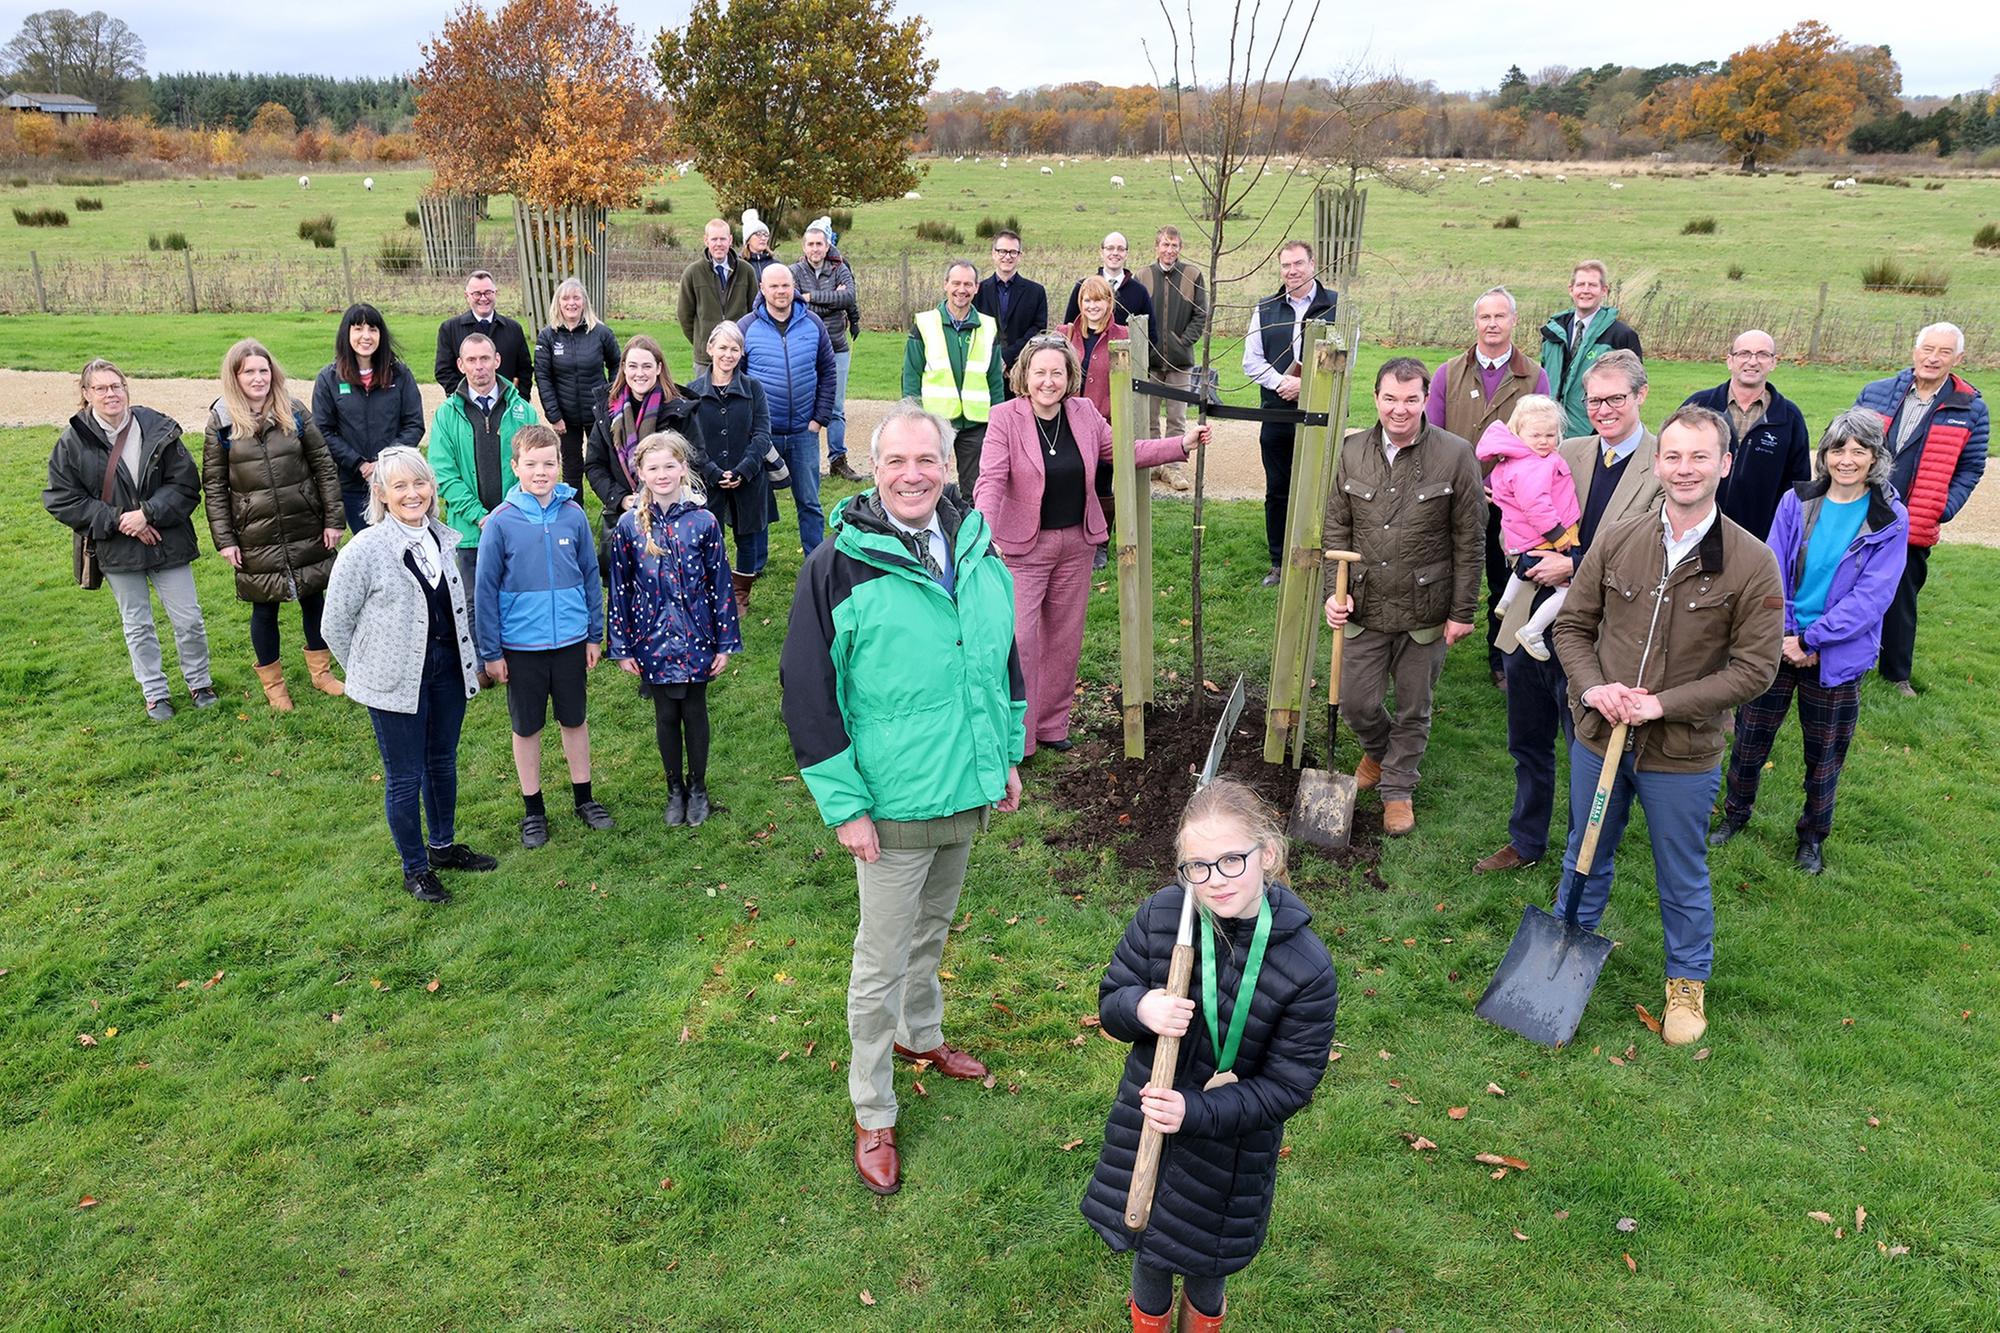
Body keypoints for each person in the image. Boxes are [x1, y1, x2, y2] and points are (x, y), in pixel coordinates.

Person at [778, 403, 1026, 1196]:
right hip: (890, 806)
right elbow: (807, 691)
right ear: (874, 470)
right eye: (896, 462)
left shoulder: (975, 546)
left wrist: (1007, 756)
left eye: (928, 460)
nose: (914, 474)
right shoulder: (837, 565)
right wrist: (846, 805)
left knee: (933, 929)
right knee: (878, 963)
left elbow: (1000, 660)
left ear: (947, 467)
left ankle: (923, 1036)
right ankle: (873, 1105)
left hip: (965, 788)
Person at [1550, 404, 1783, 1047]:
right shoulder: (1619, 538)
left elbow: (1756, 670)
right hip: (1600, 738)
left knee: (1681, 872)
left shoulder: (1751, 560)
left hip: (1681, 751)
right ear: (1658, 463)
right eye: (1673, 456)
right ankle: (1567, 950)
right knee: (1584, 852)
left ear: (1724, 465)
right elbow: (1572, 626)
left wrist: (1662, 704)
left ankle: (1687, 981)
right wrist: (1594, 687)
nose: (1684, 469)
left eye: (1699, 457)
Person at [1080, 778, 1337, 1333]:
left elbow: (1290, 1085)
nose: (1213, 880)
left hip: (1228, 1153)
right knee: (1147, 1248)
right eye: (1197, 866)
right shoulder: (1162, 918)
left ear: (1267, 855)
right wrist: (1142, 1006)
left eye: (1230, 861)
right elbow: (1111, 1002)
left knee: (1205, 1259)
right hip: (1142, 1127)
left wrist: (1195, 1112)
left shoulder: (1306, 966)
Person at [1476, 349, 1663, 875]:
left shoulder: (1659, 465)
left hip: (1602, 636)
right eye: (1593, 399)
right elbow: (1514, 520)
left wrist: (1573, 565)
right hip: (1533, 619)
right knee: (1528, 741)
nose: (1603, 409)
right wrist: (1528, 555)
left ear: (1640, 396)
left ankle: (1588, 851)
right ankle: (1526, 839)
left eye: (1615, 398)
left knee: (1590, 748)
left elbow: (1650, 555)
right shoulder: (1564, 451)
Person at [974, 335, 1206, 756]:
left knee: (1064, 639)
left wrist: (1180, 444)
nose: (1049, 381)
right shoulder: (1004, 417)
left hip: (1076, 544)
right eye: (1040, 372)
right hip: (1022, 550)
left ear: (1070, 377)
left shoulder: (1082, 413)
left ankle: (1052, 725)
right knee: (1021, 641)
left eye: (1057, 373)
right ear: (1025, 375)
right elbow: (990, 480)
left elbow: (1123, 450)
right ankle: (1018, 739)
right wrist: (983, 532)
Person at [1711, 410, 1908, 876]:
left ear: (1876, 458)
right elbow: (1770, 568)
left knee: (1824, 755)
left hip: (1836, 655)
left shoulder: (1889, 517)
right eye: (1839, 449)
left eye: (1860, 450)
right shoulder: (1795, 501)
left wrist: (1815, 639)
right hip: (1778, 644)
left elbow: (1872, 597)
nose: (1847, 459)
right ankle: (1733, 816)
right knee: (1750, 740)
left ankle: (1812, 838)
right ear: (1826, 453)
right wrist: (1786, 634)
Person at [322, 446, 496, 904]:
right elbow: (334, 624)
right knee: (405, 776)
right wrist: (366, 674)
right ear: (380, 492)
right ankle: (414, 868)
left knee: (442, 762)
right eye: (399, 485)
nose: (412, 493)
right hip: (394, 682)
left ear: (432, 488)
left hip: (447, 672)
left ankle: (441, 847)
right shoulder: (366, 549)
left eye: (419, 483)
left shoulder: (443, 538)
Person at [1320, 358, 1484, 837]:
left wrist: (1462, 611)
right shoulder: (1352, 453)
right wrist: (1336, 590)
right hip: (1365, 605)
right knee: (1356, 703)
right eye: (1390, 398)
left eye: (1411, 399)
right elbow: (1337, 527)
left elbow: (1469, 539)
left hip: (1425, 608)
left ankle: (1397, 790)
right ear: (1376, 398)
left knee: (1415, 706)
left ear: (1425, 400)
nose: (1400, 409)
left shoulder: (1455, 455)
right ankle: (1380, 751)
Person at [44, 357, 216, 720]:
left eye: (116, 386)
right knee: (138, 625)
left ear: (126, 388)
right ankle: (155, 693)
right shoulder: (72, 441)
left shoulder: (158, 427)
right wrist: (121, 520)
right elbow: (61, 498)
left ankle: (200, 682)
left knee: (188, 619)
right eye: (101, 388)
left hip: (166, 540)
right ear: (86, 393)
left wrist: (148, 514)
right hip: (117, 546)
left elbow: (186, 485)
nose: (111, 394)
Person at [475, 425, 612, 850]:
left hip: (571, 641)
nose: (541, 471)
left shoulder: (573, 515)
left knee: (575, 720)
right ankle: (533, 809)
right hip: (521, 648)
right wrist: (491, 651)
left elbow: (591, 574)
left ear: (560, 465)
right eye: (531, 464)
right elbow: (484, 591)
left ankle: (583, 797)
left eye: (549, 463)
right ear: (515, 467)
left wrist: (594, 633)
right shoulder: (500, 523)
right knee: (527, 727)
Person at [609, 431, 742, 829]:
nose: (663, 474)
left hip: (698, 635)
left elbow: (720, 583)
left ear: (683, 469)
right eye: (654, 468)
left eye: (670, 466)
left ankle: (698, 787)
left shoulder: (703, 522)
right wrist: (622, 645)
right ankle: (674, 790)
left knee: (695, 711)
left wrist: (725, 641)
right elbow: (620, 587)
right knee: (666, 713)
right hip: (651, 639)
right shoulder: (630, 527)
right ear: (641, 474)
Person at [204, 338, 345, 711]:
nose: (258, 377)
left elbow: (324, 467)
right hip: (255, 533)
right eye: (249, 371)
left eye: (263, 370)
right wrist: (224, 540)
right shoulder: (221, 422)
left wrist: (333, 519)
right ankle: (274, 685)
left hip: (305, 523)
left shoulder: (294, 411)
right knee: (264, 608)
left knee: (314, 598)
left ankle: (321, 672)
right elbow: (215, 486)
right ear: (235, 376)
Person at [1852, 322, 1988, 696]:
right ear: (1914, 351)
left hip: (1915, 517)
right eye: (1928, 349)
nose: (1933, 357)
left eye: (1944, 352)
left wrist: (1945, 506)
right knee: (1850, 588)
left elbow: (1972, 466)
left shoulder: (1970, 408)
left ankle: (1896, 675)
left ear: (1958, 359)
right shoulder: (1876, 393)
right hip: (1861, 510)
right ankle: (1849, 660)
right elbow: (1846, 441)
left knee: (1901, 596)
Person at [1426, 286, 1551, 683]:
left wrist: (1505, 483)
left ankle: (1501, 659)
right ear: (1476, 322)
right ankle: (1429, 651)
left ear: (1514, 321)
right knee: (1440, 573)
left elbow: (1543, 442)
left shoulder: (1534, 376)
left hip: (1512, 505)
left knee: (1505, 580)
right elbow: (1430, 434)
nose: (1492, 324)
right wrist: (1461, 479)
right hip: (1455, 495)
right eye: (1485, 317)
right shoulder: (1449, 372)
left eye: (1500, 316)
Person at [430, 332, 539, 632]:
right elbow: (443, 474)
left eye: (485, 359)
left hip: (516, 524)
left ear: (497, 361)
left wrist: (507, 514)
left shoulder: (523, 410)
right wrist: (479, 517)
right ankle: (479, 663)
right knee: (472, 601)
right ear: (461, 365)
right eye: (472, 360)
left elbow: (535, 469)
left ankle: (516, 654)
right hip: (468, 531)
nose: (480, 366)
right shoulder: (445, 416)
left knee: (517, 595)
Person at [1243, 240, 1337, 586]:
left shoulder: (1335, 306)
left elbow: (1347, 357)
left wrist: (1307, 386)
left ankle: (1320, 556)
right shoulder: (1265, 309)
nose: (1292, 271)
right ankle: (1279, 562)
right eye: (1285, 266)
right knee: (1278, 487)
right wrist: (1282, 382)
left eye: (1298, 264)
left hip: (1321, 413)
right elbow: (1250, 360)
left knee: (1320, 486)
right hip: (1277, 412)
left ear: (1313, 265)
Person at [685, 322, 787, 614]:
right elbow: (691, 441)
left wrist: (743, 470)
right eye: (723, 348)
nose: (728, 355)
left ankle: (741, 595)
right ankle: (712, 590)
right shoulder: (693, 392)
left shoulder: (754, 389)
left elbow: (762, 433)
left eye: (735, 349)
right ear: (710, 349)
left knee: (748, 536)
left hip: (749, 477)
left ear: (741, 353)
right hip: (709, 479)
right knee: (708, 537)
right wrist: (714, 473)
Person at [740, 264, 836, 554]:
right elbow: (737, 379)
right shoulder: (746, 327)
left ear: (793, 287)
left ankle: (815, 559)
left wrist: (819, 419)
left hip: (803, 432)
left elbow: (828, 370)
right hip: (762, 436)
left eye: (786, 286)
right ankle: (754, 563)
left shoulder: (813, 323)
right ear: (762, 289)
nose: (781, 292)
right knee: (758, 503)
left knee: (809, 501)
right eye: (774, 286)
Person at [1476, 395, 1580, 663]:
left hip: (1523, 537)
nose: (1545, 441)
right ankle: (1533, 630)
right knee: (1566, 591)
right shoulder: (1533, 465)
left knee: (1522, 568)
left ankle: (1505, 603)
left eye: (1551, 434)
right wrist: (1558, 536)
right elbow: (1536, 505)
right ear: (1518, 434)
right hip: (1545, 536)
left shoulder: (1513, 460)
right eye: (1536, 435)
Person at [1679, 329, 1810, 541]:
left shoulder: (1789, 418)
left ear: (1773, 363)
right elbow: (1672, 460)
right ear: (1730, 361)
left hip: (1758, 538)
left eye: (1762, 354)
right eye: (1744, 354)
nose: (1752, 361)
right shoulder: (1699, 406)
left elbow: (1797, 487)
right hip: (1694, 531)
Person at [313, 303, 425, 534]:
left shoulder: (400, 375)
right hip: (353, 485)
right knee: (369, 547)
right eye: (358, 329)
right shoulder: (328, 379)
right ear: (347, 334)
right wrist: (360, 464)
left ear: (381, 335)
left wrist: (383, 463)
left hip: (396, 483)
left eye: (372, 329)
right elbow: (323, 430)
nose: (366, 336)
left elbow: (414, 424)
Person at [584, 335, 690, 581]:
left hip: (670, 513)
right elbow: (594, 464)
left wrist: (661, 496)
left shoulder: (680, 410)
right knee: (627, 589)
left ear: (659, 368)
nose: (639, 373)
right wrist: (620, 499)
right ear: (623, 368)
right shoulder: (606, 410)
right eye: (632, 366)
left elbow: (694, 462)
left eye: (646, 366)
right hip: (626, 515)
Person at [903, 260, 1006, 500]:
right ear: (945, 285)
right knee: (931, 485)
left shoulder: (988, 327)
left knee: (976, 490)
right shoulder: (925, 323)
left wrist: (998, 420)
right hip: (936, 423)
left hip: (976, 423)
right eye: (956, 283)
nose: (962, 289)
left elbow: (994, 381)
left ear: (977, 288)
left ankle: (972, 535)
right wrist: (913, 417)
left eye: (968, 284)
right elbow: (912, 375)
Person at [1061, 277, 1130, 574]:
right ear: (1081, 303)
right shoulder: (1065, 334)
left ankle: (1100, 543)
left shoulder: (1123, 335)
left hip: (1105, 423)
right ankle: (1074, 541)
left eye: (1098, 300)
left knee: (1102, 485)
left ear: (1108, 303)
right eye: (1087, 300)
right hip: (1068, 424)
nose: (1092, 306)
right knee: (1070, 483)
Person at [532, 277, 620, 492]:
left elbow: (617, 364)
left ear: (584, 302)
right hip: (565, 416)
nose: (571, 303)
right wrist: (554, 415)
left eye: (576, 298)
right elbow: (542, 377)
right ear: (558, 303)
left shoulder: (601, 333)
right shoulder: (547, 336)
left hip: (598, 412)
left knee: (606, 461)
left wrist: (611, 400)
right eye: (565, 298)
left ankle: (613, 508)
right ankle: (574, 512)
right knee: (572, 466)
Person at [791, 218, 861, 482]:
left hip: (837, 346)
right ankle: (806, 461)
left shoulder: (840, 268)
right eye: (810, 244)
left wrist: (811, 298)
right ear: (804, 246)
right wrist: (830, 300)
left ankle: (838, 460)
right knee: (805, 404)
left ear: (827, 244)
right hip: (806, 346)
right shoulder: (794, 271)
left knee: (835, 406)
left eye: (819, 244)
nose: (815, 249)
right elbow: (796, 303)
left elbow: (848, 297)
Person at [1538, 260, 1643, 437]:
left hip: (1595, 433)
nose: (1586, 290)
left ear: (1604, 290)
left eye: (1592, 285)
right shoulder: (1552, 333)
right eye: (1580, 284)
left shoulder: (1621, 336)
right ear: (1571, 289)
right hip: (1550, 434)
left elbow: (1635, 388)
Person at [1139, 225, 1207, 492]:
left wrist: (1182, 342)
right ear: (1157, 246)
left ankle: (1173, 467)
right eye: (1165, 245)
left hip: (1180, 362)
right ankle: (1154, 463)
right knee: (1150, 416)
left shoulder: (1193, 275)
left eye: (1175, 246)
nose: (1170, 250)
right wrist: (1146, 346)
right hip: (1150, 362)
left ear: (1180, 248)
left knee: (1177, 417)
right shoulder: (1143, 275)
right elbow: (1136, 314)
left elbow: (1200, 314)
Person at [973, 229, 1049, 399]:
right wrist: (995, 360)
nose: (1007, 256)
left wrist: (1007, 358)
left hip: (1022, 373)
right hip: (985, 373)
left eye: (1013, 252)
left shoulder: (1035, 292)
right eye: (1002, 251)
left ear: (1020, 255)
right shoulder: (978, 291)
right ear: (993, 254)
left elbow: (1038, 330)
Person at [435, 270, 533, 399]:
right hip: (466, 408)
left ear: (495, 293)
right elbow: (443, 371)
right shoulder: (449, 329)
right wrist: (465, 398)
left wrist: (519, 400)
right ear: (467, 296)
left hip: (506, 404)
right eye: (477, 294)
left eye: (488, 292)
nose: (483, 298)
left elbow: (525, 370)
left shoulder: (513, 329)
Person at [678, 219, 757, 373]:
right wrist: (703, 343)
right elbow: (684, 316)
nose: (719, 244)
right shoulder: (692, 273)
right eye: (714, 239)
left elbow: (754, 312)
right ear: (706, 240)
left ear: (730, 240)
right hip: (705, 360)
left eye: (723, 239)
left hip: (738, 356)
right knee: (706, 397)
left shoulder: (746, 271)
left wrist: (742, 343)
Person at [1061, 231, 1154, 330]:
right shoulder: (1083, 287)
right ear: (1101, 252)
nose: (1115, 253)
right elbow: (1069, 328)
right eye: (1110, 248)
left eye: (1121, 249)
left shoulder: (1139, 291)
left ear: (1126, 254)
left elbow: (1150, 334)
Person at [740, 209, 781, 280]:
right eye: (758, 234)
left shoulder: (776, 264)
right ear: (748, 240)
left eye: (765, 234)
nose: (763, 238)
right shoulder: (739, 264)